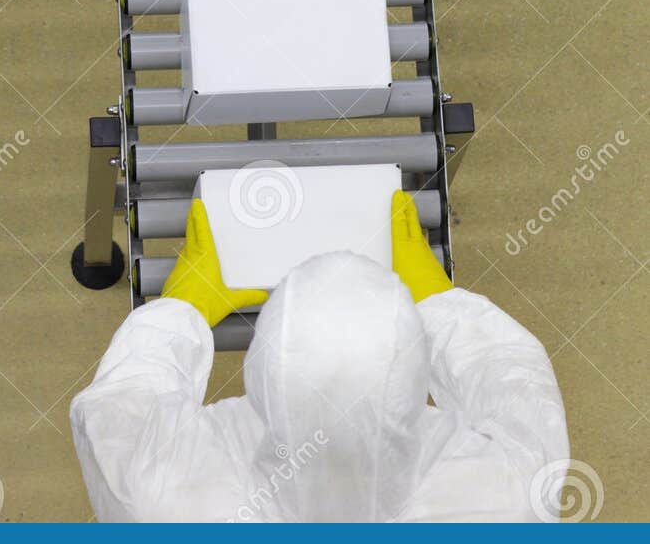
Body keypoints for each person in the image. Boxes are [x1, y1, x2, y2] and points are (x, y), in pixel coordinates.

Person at [70, 191, 569, 522]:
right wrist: (439, 304)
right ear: (414, 373)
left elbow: (121, 411)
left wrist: (182, 309)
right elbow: (515, 385)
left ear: (261, 371)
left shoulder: (161, 500)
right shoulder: (508, 499)